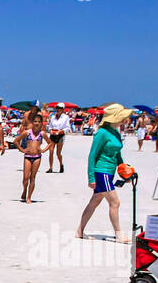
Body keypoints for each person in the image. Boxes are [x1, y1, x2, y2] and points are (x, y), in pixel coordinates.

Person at [76, 103, 130, 243]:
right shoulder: (102, 132)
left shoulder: (115, 132)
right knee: (115, 202)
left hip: (110, 172)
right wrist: (91, 177)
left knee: (95, 201)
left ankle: (80, 231)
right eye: (122, 117)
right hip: (102, 172)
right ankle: (119, 236)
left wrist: (124, 170)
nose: (125, 120)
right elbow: (92, 155)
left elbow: (117, 154)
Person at [17, 109, 48, 203]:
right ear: (32, 122)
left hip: (37, 157)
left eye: (39, 122)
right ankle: (24, 190)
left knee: (33, 177)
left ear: (42, 123)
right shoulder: (27, 132)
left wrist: (43, 150)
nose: (37, 123)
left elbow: (50, 143)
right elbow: (16, 141)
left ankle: (29, 197)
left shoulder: (42, 134)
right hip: (27, 156)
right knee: (25, 178)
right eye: (35, 121)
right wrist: (22, 150)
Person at [46, 103, 72, 173]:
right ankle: (50, 168)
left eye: (60, 108)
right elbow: (50, 126)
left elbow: (67, 127)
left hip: (60, 135)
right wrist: (50, 130)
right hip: (53, 135)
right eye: (57, 108)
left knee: (58, 153)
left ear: (63, 109)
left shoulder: (66, 117)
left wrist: (62, 131)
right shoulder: (53, 117)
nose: (58, 109)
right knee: (51, 152)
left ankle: (61, 164)